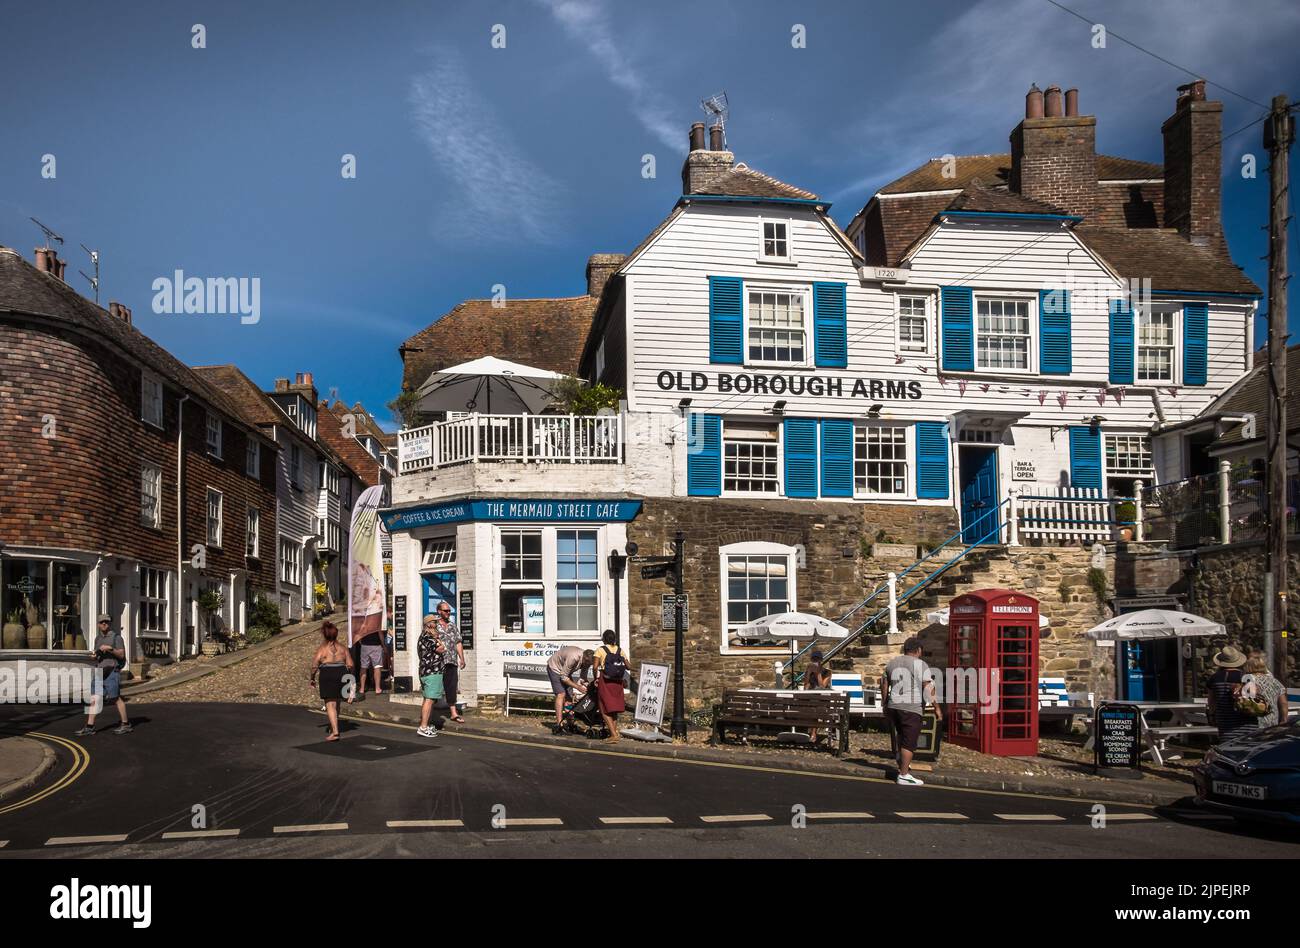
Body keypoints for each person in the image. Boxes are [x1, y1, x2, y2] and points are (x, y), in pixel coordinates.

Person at [880, 637, 939, 786]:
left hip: (894, 706)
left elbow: (884, 683)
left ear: (905, 649)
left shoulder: (892, 662)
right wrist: (937, 707)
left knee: (901, 736)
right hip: (911, 708)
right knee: (909, 742)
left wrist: (885, 703)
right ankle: (904, 775)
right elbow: (927, 686)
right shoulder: (920, 664)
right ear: (918, 650)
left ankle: (902, 765)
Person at [76, 614, 131, 736]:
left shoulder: (117, 638)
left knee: (115, 698)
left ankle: (126, 724)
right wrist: (95, 656)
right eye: (101, 622)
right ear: (98, 624)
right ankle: (90, 727)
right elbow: (98, 655)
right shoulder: (97, 639)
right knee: (95, 698)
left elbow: (122, 655)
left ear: (109, 623)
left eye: (106, 622)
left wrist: (110, 649)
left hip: (112, 670)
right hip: (100, 670)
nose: (104, 624)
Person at [309, 621, 353, 742]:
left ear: (324, 634)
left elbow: (314, 666)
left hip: (327, 675)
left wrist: (312, 678)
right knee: (337, 702)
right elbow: (350, 665)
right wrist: (351, 685)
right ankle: (335, 726)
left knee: (330, 704)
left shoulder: (322, 649)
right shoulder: (343, 648)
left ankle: (335, 732)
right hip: (341, 674)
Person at [1205, 645, 1255, 744]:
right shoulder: (1246, 677)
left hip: (1225, 720)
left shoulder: (1214, 678)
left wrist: (1211, 715)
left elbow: (1211, 700)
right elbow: (1253, 697)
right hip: (1247, 720)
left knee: (1228, 748)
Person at [546, 645, 594, 735]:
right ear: (585, 659)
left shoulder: (587, 660)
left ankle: (570, 724)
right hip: (555, 668)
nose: (588, 666)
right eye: (588, 664)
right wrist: (578, 687)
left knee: (569, 697)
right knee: (561, 694)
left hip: (564, 672)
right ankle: (559, 725)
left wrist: (587, 685)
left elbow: (583, 677)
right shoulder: (574, 657)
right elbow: (563, 677)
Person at [432, 601, 466, 723]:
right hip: (437, 662)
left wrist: (462, 658)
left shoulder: (452, 626)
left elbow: (458, 642)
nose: (448, 613)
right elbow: (428, 642)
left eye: (449, 611)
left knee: (451, 687)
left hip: (451, 660)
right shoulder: (433, 626)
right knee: (435, 688)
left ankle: (453, 713)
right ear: (439, 611)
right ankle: (430, 713)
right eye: (445, 611)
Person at [416, 614, 449, 738]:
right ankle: (423, 727)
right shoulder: (428, 637)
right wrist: (439, 640)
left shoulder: (424, 636)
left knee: (427, 699)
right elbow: (441, 649)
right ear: (429, 624)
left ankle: (426, 724)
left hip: (426, 671)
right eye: (434, 622)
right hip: (432, 672)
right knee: (429, 700)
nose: (436, 624)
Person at [593, 630, 628, 743]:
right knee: (614, 708)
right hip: (618, 682)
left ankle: (613, 735)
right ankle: (614, 733)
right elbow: (628, 666)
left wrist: (595, 679)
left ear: (603, 639)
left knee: (604, 708)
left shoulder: (600, 650)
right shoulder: (620, 650)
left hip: (606, 680)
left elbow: (595, 667)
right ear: (614, 639)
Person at [1244, 651, 1289, 728]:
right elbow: (1283, 703)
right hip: (1272, 723)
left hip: (1254, 724)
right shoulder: (1275, 681)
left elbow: (1247, 702)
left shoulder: (1247, 679)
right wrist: (1284, 720)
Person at [804, 650, 833, 745]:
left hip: (823, 698)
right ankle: (812, 732)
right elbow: (805, 687)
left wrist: (818, 673)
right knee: (811, 704)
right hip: (813, 698)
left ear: (821, 660)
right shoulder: (810, 671)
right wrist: (808, 673)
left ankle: (813, 733)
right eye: (814, 659)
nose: (815, 661)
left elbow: (822, 687)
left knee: (814, 706)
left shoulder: (827, 672)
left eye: (817, 659)